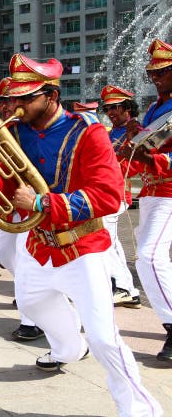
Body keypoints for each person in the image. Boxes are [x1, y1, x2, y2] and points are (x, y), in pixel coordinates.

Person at [0, 53, 160, 416]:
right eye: (12, 98)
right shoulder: (12, 132)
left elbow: (108, 196)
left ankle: (142, 410)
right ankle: (67, 349)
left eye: (25, 99)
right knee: (31, 304)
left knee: (105, 338)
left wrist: (43, 203)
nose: (15, 106)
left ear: (51, 95)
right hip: (37, 245)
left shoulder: (88, 133)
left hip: (83, 247)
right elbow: (5, 188)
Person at [120, 38, 172, 362]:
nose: (156, 78)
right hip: (152, 193)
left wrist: (152, 159)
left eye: (163, 72)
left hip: (169, 191)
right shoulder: (155, 108)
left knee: (149, 258)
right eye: (153, 72)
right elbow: (149, 154)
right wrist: (133, 150)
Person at [0, 77, 44, 341]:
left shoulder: (31, 130)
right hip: (11, 206)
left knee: (25, 257)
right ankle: (32, 293)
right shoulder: (3, 131)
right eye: (3, 102)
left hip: (37, 206)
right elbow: (0, 176)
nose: (8, 106)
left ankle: (31, 320)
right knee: (5, 252)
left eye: (13, 100)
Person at [100, 84, 141, 308]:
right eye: (107, 108)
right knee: (110, 240)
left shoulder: (136, 130)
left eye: (116, 107)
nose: (111, 112)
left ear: (128, 108)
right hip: (105, 192)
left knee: (107, 237)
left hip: (118, 192)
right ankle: (124, 287)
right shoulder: (110, 132)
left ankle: (125, 287)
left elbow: (135, 167)